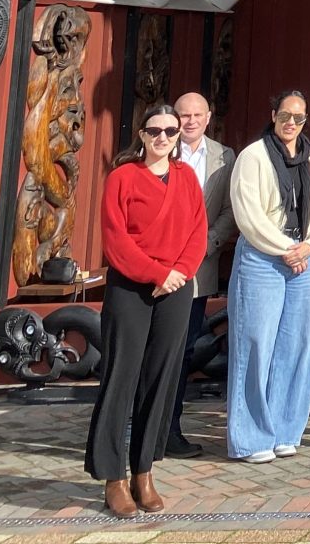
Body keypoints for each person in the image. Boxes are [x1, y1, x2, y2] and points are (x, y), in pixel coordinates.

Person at [87, 104, 207, 516]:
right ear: (141, 134)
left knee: (161, 379)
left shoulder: (187, 178)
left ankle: (144, 471)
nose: (162, 138)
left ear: (178, 136)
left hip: (174, 289)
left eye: (171, 131)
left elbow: (198, 231)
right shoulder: (122, 177)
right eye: (154, 130)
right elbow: (115, 240)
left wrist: (179, 273)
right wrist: (156, 272)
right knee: (120, 378)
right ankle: (113, 477)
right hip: (131, 288)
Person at [226, 89, 310, 463]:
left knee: (296, 345)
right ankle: (252, 437)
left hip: (304, 257)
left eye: (299, 118)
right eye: (286, 116)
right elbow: (248, 214)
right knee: (255, 344)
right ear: (273, 115)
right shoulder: (253, 156)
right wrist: (286, 249)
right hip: (263, 256)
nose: (292, 124)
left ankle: (286, 429)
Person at [166, 90, 235, 459]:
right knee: (156, 350)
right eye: (183, 115)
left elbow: (228, 211)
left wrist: (207, 245)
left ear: (208, 118)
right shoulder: (160, 149)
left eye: (197, 115)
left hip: (198, 272)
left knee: (182, 351)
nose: (190, 122)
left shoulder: (225, 157)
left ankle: (170, 428)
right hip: (158, 270)